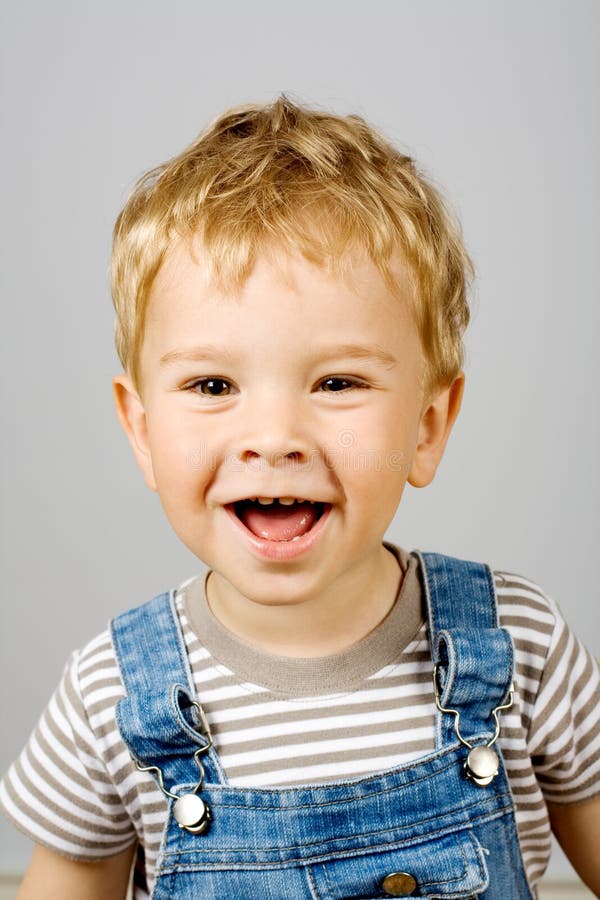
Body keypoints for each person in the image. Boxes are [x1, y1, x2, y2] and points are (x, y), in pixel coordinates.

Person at [1, 97, 599, 899]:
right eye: (213, 384)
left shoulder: (517, 643)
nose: (275, 435)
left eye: (337, 382)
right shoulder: (108, 694)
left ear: (428, 425)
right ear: (141, 430)